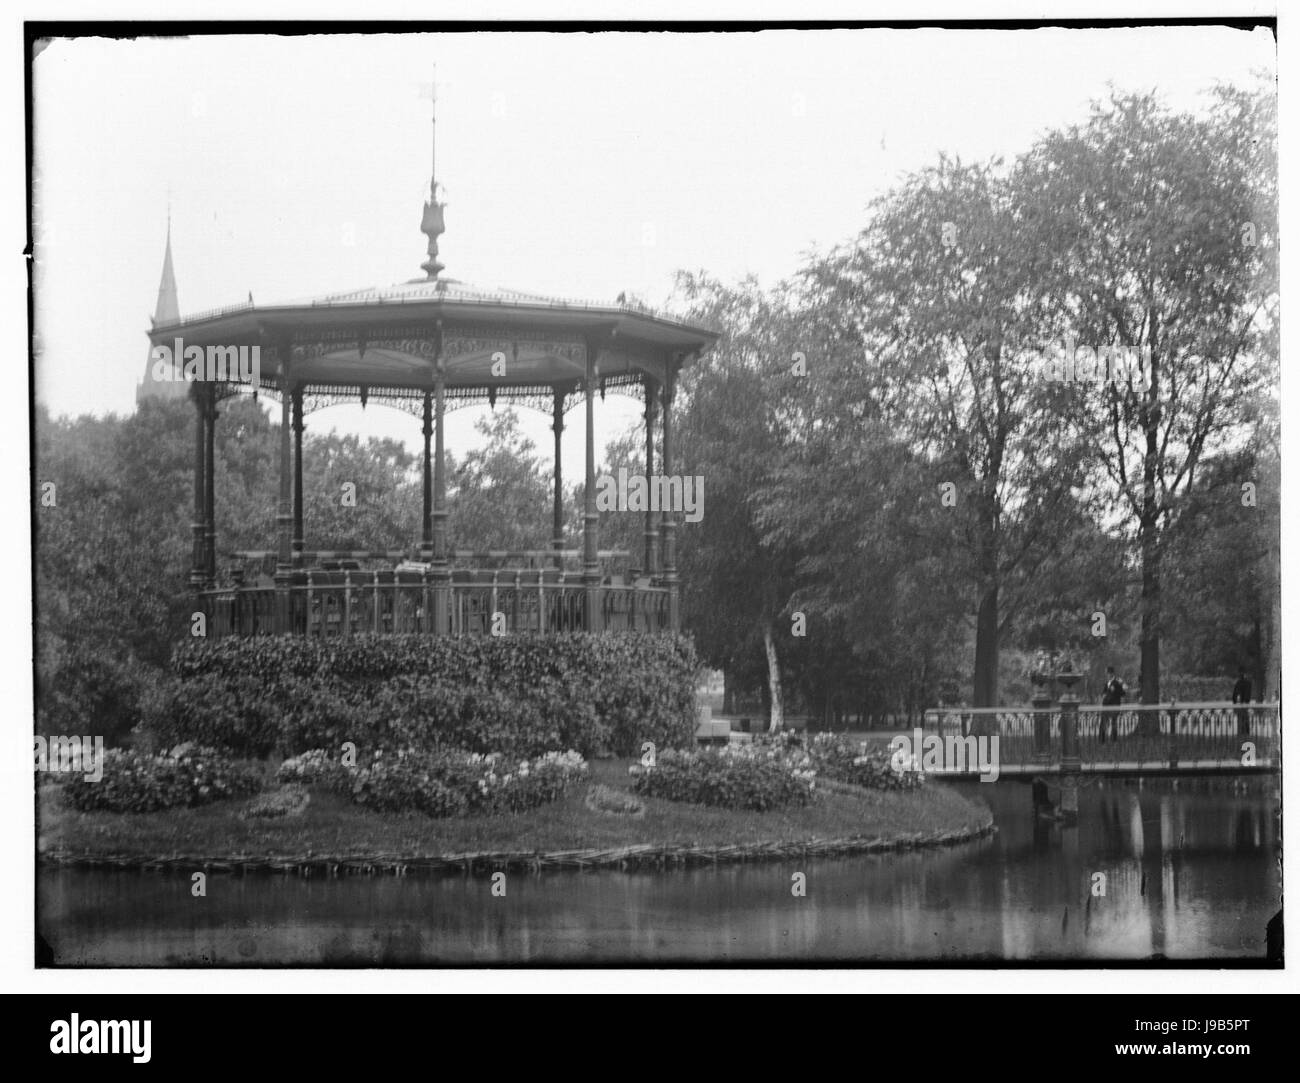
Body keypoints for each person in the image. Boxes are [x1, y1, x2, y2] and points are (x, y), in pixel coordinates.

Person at [1099, 666, 1125, 743]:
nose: (1106, 675)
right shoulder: (1107, 683)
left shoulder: (1117, 683)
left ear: (1111, 673)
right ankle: (1102, 740)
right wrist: (1103, 695)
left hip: (1114, 706)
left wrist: (1117, 689)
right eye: (1106, 673)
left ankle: (1114, 740)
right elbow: (1104, 693)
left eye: (1107, 673)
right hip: (1106, 706)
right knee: (1103, 722)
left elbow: (1122, 693)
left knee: (1114, 723)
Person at [1232, 667, 1252, 736]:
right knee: (1245, 717)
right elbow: (1248, 693)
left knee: (1241, 718)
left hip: (1240, 703)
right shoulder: (1248, 683)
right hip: (1244, 702)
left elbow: (1235, 694)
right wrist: (1246, 700)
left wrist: (1235, 702)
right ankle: (1246, 731)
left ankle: (1241, 731)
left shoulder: (1238, 683)